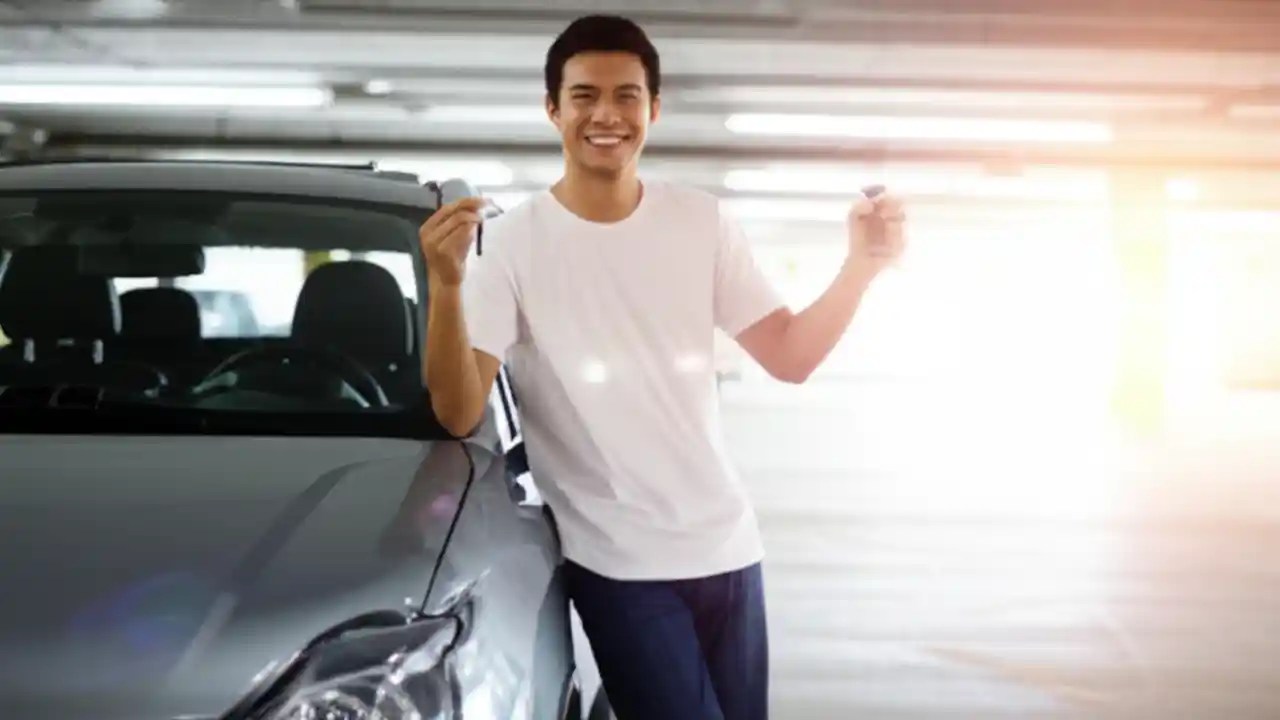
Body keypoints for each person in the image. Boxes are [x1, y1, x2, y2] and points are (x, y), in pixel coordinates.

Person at [419, 14, 905, 720]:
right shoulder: (511, 243)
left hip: (730, 550)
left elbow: (791, 356)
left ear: (653, 108)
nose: (606, 115)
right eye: (584, 96)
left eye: (626, 95)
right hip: (619, 565)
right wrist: (448, 286)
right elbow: (458, 411)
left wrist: (861, 268)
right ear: (552, 108)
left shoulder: (701, 221)